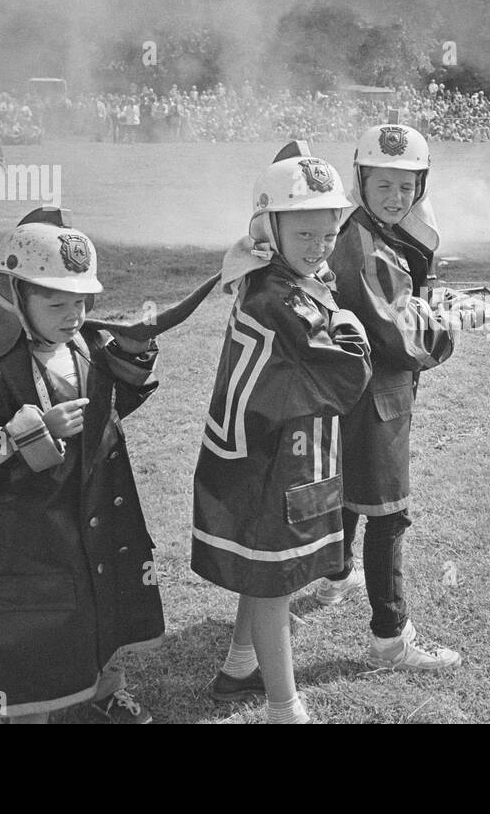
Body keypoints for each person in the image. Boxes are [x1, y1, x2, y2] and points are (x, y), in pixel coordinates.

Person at [0, 207, 163, 724]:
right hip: (34, 538)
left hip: (93, 517)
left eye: (81, 301)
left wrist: (133, 355)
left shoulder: (81, 349)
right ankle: (31, 713)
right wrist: (33, 433)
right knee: (41, 625)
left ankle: (104, 689)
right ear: (13, 297)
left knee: (102, 601)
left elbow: (106, 408)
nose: (73, 315)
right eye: (56, 301)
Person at [192, 144, 372, 724]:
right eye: (305, 236)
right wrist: (349, 322)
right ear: (268, 228)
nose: (320, 248)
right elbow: (350, 372)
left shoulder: (278, 280)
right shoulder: (281, 297)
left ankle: (241, 664)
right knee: (273, 580)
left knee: (267, 570)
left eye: (328, 235)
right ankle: (283, 706)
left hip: (281, 448)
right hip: (268, 458)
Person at [321, 123, 477, 670]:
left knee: (349, 496)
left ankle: (335, 576)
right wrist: (450, 323)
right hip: (375, 400)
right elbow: (398, 335)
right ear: (361, 181)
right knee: (388, 515)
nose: (396, 198)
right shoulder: (363, 246)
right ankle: (391, 638)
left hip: (360, 397)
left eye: (407, 187)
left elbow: (399, 302)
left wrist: (429, 299)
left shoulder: (369, 233)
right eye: (383, 186)